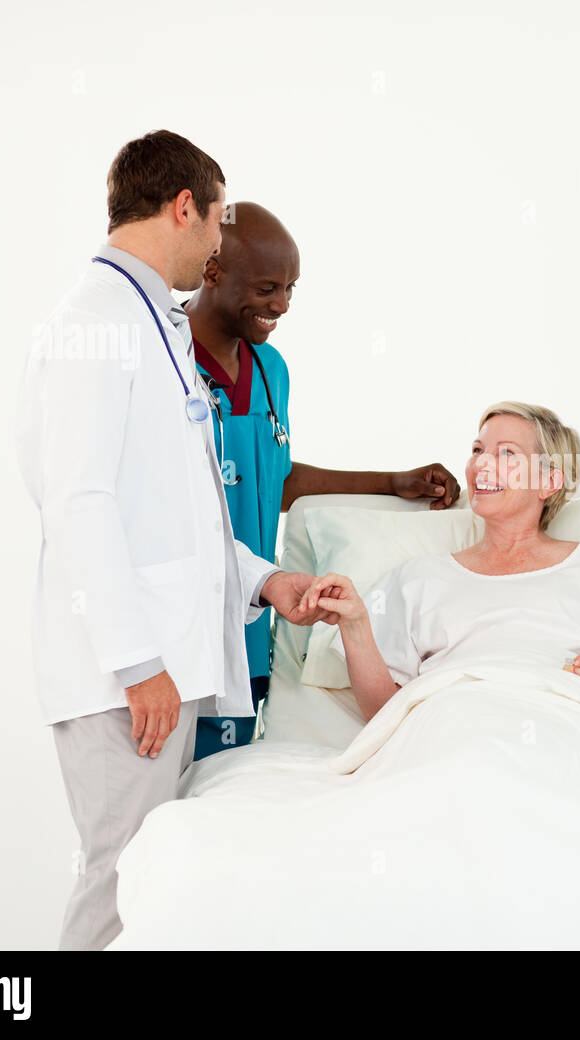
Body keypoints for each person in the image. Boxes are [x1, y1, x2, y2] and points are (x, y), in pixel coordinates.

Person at [15, 130, 325, 950]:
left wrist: (264, 583)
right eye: (219, 219)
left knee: (162, 886)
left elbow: (187, 514)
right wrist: (137, 661)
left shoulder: (150, 321)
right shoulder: (94, 323)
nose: (220, 242)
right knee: (122, 883)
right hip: (128, 674)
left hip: (160, 666)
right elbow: (77, 502)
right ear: (183, 207)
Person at [182, 201, 461, 759]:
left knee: (219, 793)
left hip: (251, 618)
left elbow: (275, 480)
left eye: (290, 289)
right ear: (212, 271)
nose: (281, 306)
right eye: (267, 288)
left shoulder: (270, 367)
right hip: (181, 623)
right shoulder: (164, 359)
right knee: (156, 808)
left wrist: (392, 481)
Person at [303, 402, 580, 720]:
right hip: (451, 732)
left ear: (548, 482)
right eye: (477, 451)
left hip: (565, 727)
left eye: (507, 453)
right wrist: (355, 626)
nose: (481, 465)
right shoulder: (418, 579)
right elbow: (383, 715)